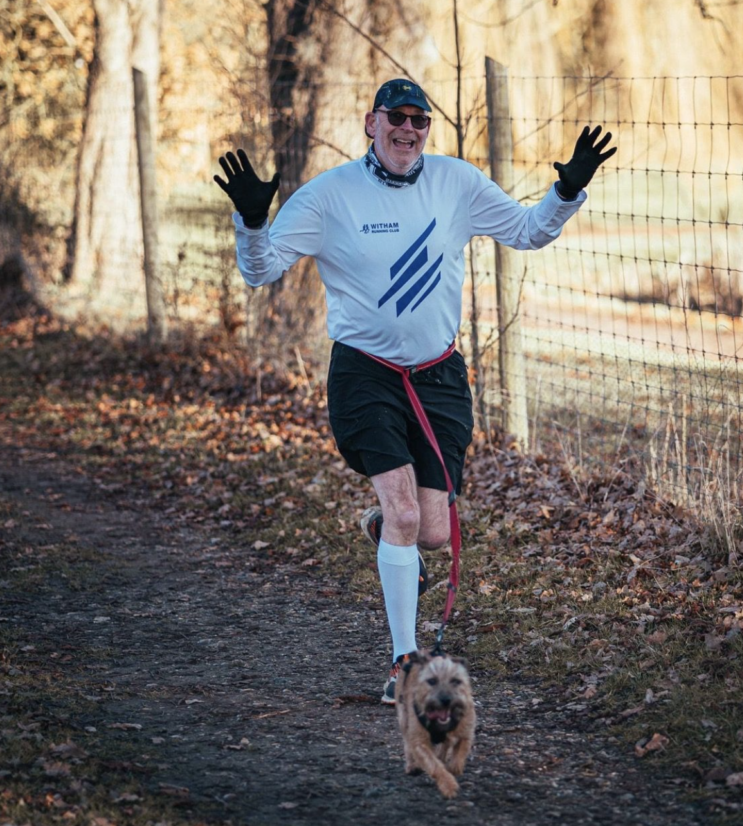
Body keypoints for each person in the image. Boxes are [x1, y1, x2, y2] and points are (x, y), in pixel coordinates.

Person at [215, 78, 616, 705]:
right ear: (371, 121)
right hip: (365, 374)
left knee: (430, 532)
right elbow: (260, 271)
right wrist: (252, 220)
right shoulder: (329, 196)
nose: (408, 130)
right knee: (405, 514)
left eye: (419, 121)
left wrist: (566, 191)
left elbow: (529, 232)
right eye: (396, 118)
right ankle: (405, 664)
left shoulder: (456, 182)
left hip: (440, 379)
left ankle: (387, 532)